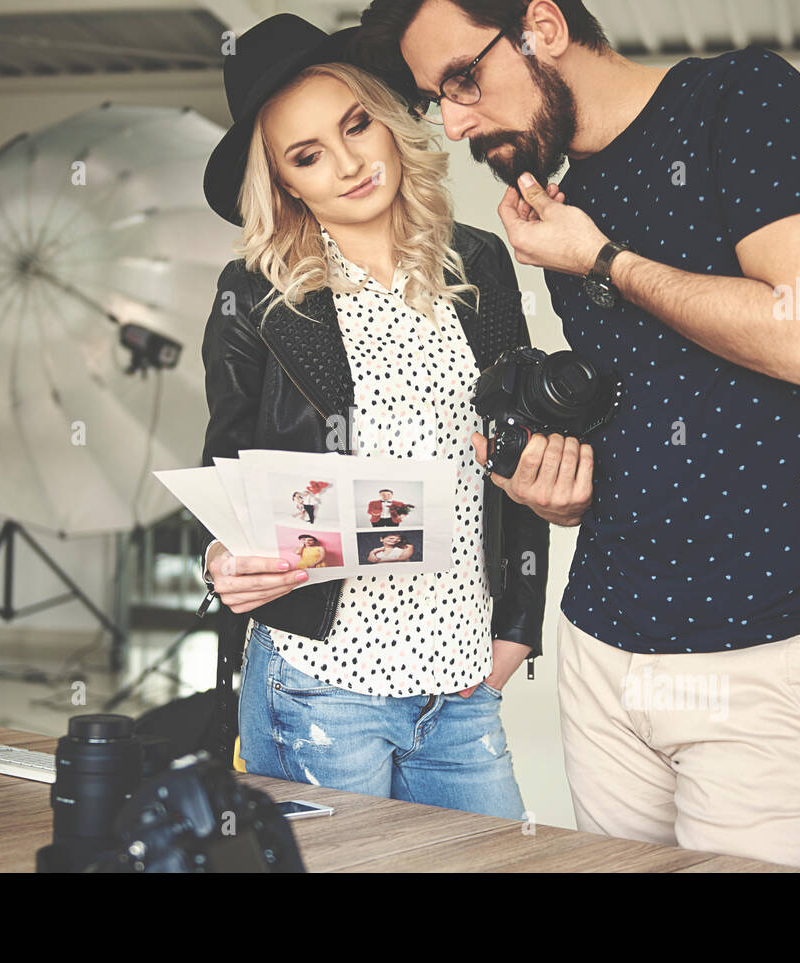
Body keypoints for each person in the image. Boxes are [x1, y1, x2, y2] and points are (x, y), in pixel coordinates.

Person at [354, 0, 800, 871]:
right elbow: (655, 410)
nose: (453, 120)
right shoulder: (563, 201)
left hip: (767, 650)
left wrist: (602, 259)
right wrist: (560, 492)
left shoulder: (742, 97)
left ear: (544, 27)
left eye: (464, 78)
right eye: (432, 99)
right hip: (602, 648)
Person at [196, 14, 550, 819]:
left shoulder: (480, 264)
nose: (349, 163)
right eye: (308, 155)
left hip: (461, 686)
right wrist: (222, 557)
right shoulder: (253, 293)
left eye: (356, 125)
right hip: (321, 685)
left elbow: (519, 450)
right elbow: (224, 482)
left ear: (388, 121)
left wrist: (517, 628)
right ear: (284, 182)